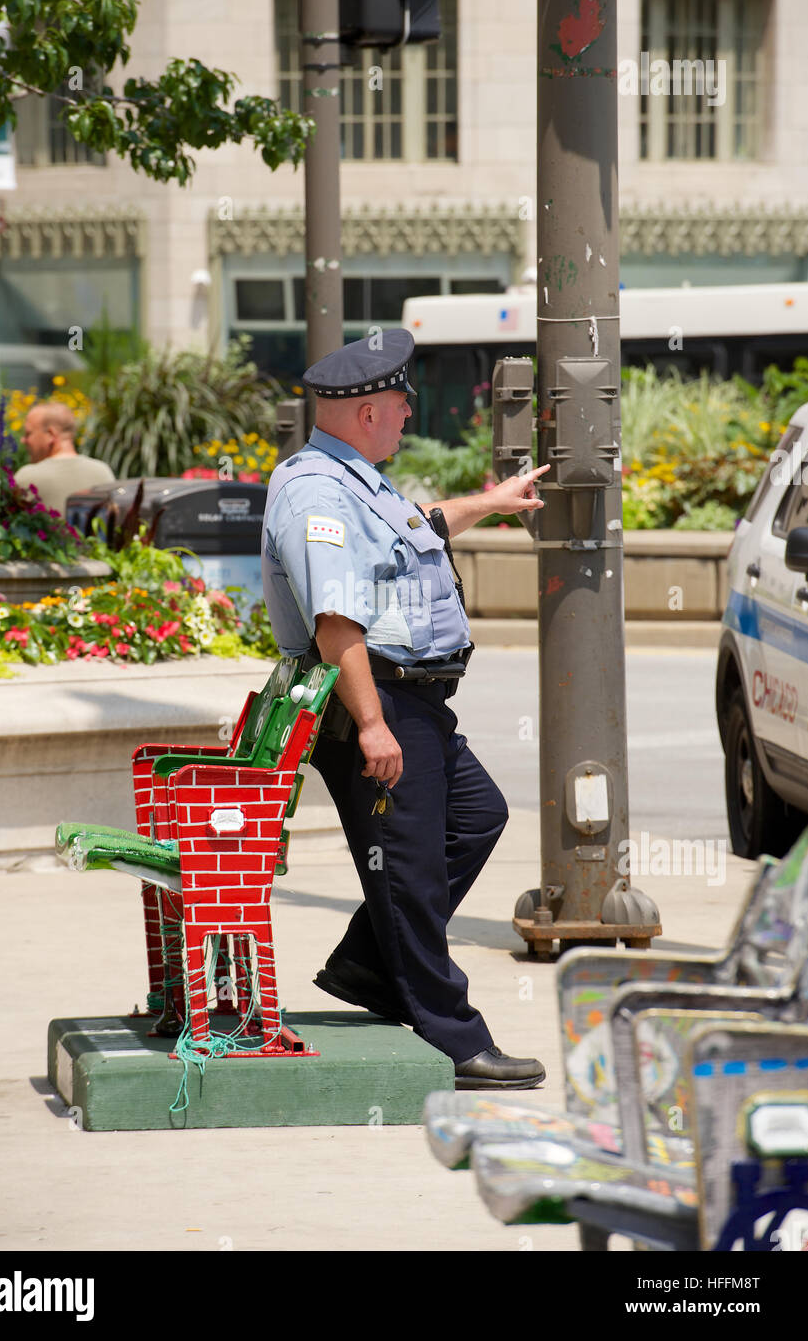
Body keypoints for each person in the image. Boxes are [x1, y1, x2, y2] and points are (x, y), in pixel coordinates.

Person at [262, 329, 550, 1089]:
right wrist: (370, 725)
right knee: (410, 872)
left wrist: (487, 503)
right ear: (363, 413)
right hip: (374, 695)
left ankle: (367, 965)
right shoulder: (315, 493)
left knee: (476, 817)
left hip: (413, 699)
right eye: (398, 405)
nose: (405, 418)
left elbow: (415, 527)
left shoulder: (358, 478)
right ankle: (451, 1036)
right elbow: (335, 623)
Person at [14, 402, 114, 516]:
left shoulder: (27, 477)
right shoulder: (103, 472)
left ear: (50, 434)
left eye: (28, 434)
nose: (23, 440)